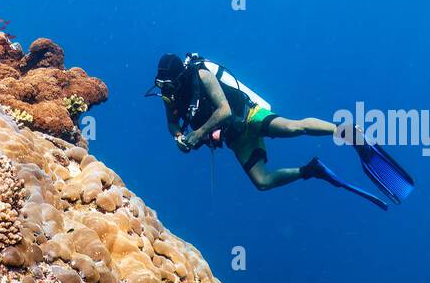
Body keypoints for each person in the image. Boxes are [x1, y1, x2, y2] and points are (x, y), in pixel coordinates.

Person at [147, 53, 413, 209]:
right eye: (162, 86)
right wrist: (179, 138)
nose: (166, 90)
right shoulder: (169, 97)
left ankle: (347, 132)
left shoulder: (202, 76)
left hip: (248, 115)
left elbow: (225, 111)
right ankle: (312, 170)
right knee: (262, 183)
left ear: (181, 76)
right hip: (236, 138)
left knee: (292, 127)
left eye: (168, 84)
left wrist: (196, 135)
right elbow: (172, 125)